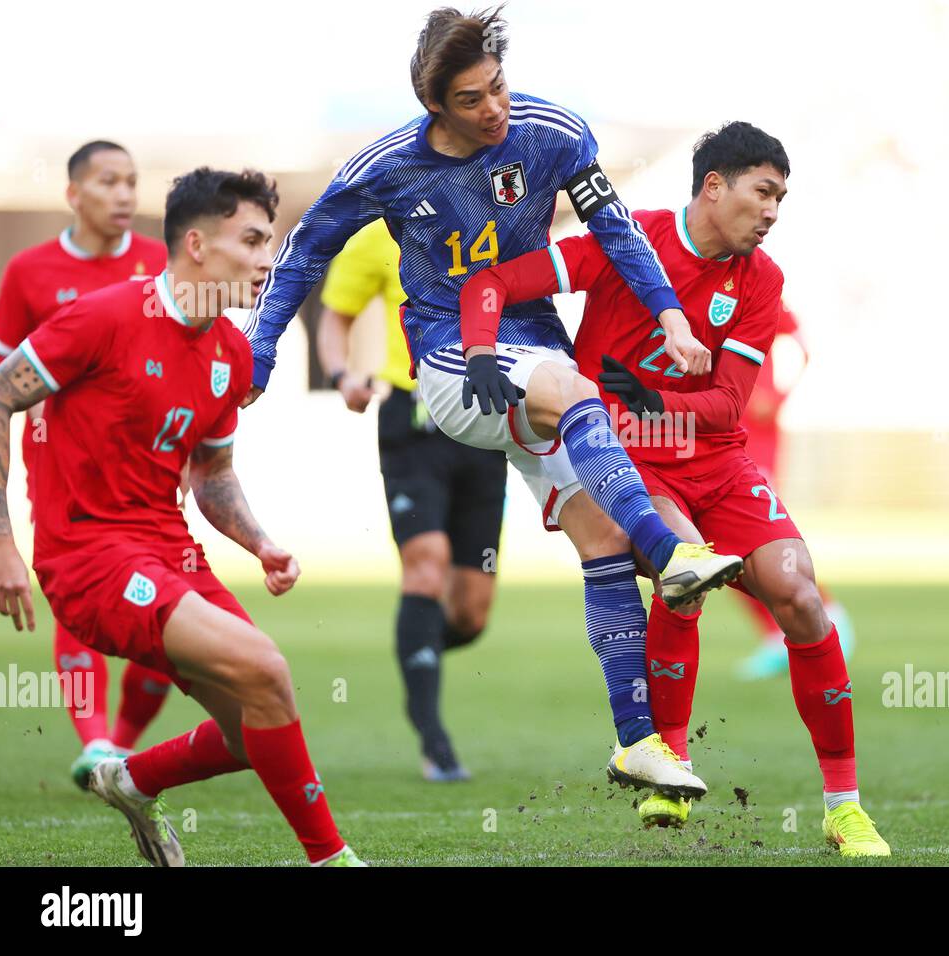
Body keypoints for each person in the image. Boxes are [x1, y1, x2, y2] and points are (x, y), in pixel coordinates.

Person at [244, 5, 739, 798]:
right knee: (576, 400)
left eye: (498, 86)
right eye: (472, 98)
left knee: (604, 540)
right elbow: (309, 249)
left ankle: (636, 740)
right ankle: (675, 555)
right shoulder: (386, 165)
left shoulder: (553, 133)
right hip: (449, 361)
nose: (495, 108)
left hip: (535, 343)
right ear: (434, 105)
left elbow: (615, 232)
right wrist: (263, 343)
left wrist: (672, 317)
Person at [457, 122, 891, 857]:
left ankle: (844, 807)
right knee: (680, 565)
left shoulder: (763, 281)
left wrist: (647, 404)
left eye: (782, 197)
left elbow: (727, 405)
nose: (773, 211)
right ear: (713, 187)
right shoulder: (630, 240)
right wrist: (477, 348)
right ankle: (670, 764)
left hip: (718, 462)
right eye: (763, 192)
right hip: (634, 465)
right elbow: (495, 279)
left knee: (802, 595)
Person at [0, 167, 364, 867]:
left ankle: (129, 779)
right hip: (87, 558)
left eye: (270, 243)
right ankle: (331, 858)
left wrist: (260, 543)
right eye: (252, 241)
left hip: (170, 553)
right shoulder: (104, 317)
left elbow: (213, 472)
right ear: (197, 243)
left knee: (255, 725)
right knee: (268, 667)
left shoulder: (230, 351)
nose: (266, 260)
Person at [0, 140, 175, 787]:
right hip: (63, 473)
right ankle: (95, 742)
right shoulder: (29, 273)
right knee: (82, 602)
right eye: (108, 182)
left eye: (132, 181)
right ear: (74, 193)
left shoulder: (160, 264)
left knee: (169, 616)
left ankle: (118, 747)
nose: (125, 194)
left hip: (151, 474)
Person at [317, 219, 507, 781]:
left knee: (471, 614)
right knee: (425, 567)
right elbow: (336, 318)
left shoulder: (497, 215)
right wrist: (340, 373)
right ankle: (434, 740)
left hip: (482, 415)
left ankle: (414, 650)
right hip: (411, 422)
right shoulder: (374, 235)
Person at [733, 303, 855, 681]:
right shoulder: (693, 284)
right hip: (719, 426)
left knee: (757, 533)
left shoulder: (755, 285)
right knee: (722, 547)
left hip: (756, 436)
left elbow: (803, 344)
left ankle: (828, 614)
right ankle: (776, 633)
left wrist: (779, 396)